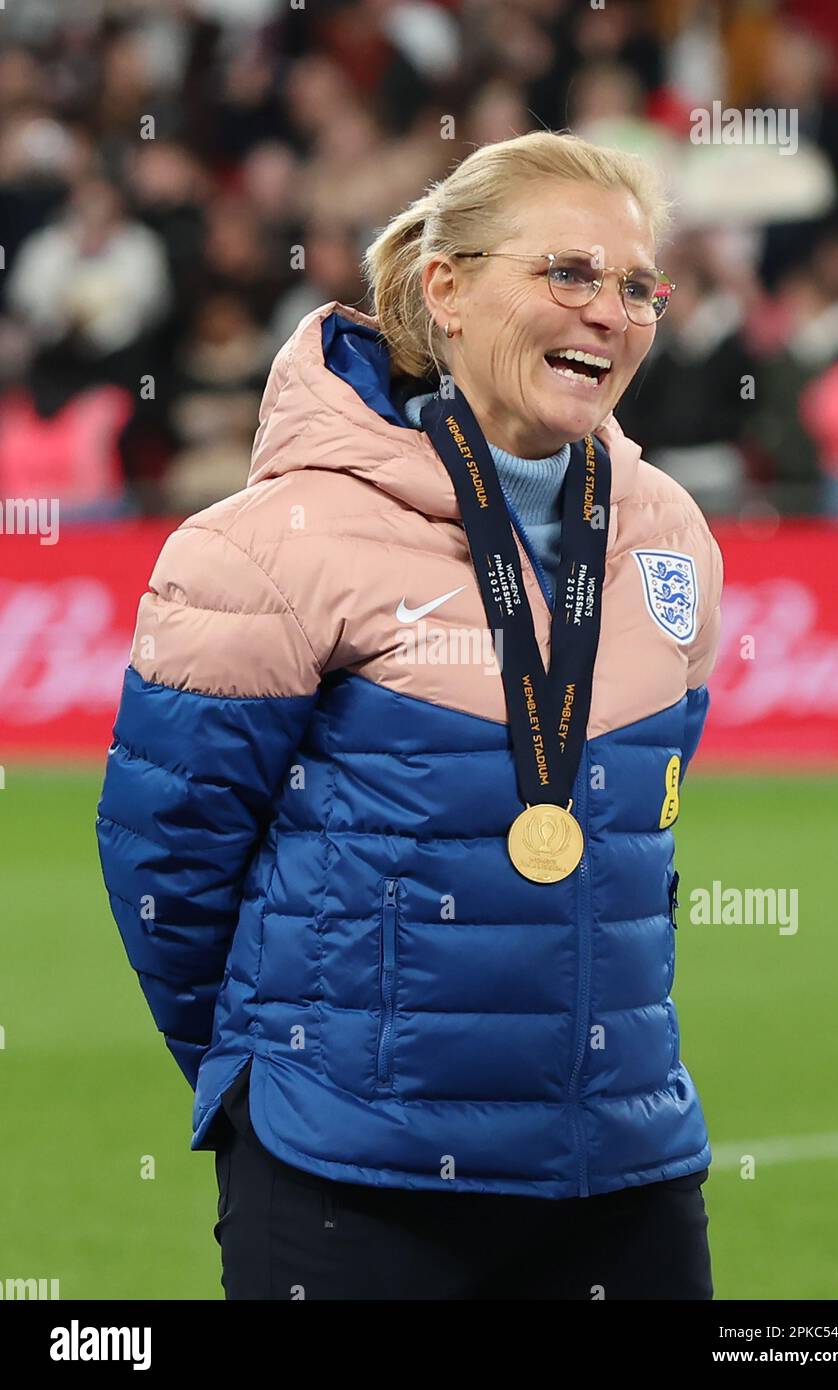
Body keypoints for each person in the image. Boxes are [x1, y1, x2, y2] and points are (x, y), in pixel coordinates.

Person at [96, 130, 724, 1301]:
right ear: (447, 287)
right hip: (352, 1178)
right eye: (568, 273)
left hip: (624, 1169)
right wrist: (269, 1077)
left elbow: (646, 840)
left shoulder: (670, 533)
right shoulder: (269, 542)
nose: (611, 311)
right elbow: (164, 861)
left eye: (638, 285)